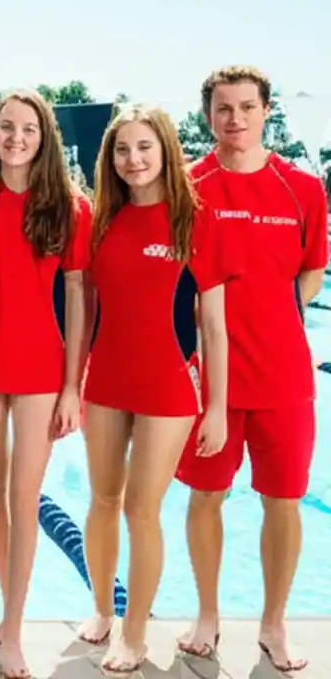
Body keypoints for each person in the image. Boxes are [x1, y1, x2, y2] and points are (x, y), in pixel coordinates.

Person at [174, 65, 327, 674]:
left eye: (245, 107)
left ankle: (273, 624)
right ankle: (207, 615)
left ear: (268, 111)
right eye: (222, 108)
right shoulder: (190, 184)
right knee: (205, 496)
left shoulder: (302, 189)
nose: (234, 118)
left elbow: (312, 272)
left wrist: (274, 315)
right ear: (208, 115)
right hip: (211, 376)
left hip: (284, 375)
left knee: (283, 501)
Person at [0, 90, 91, 679]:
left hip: (40, 369)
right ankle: (8, 612)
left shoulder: (69, 210)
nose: (17, 138)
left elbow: (78, 297)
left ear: (44, 138)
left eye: (29, 129)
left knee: (24, 497)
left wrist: (73, 385)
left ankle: (15, 631)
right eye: (7, 127)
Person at [78, 105, 231, 673]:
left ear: (166, 150)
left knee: (142, 509)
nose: (133, 159)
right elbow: (85, 308)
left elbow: (213, 324)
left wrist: (215, 405)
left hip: (168, 384)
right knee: (101, 500)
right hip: (107, 378)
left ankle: (135, 632)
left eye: (144, 147)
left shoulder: (196, 220)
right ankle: (100, 609)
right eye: (122, 150)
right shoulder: (99, 221)